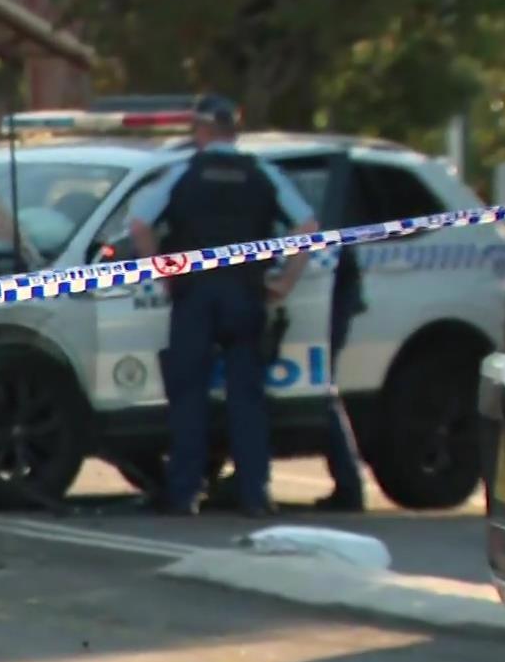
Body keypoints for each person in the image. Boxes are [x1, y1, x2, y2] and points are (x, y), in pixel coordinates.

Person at [126, 94, 319, 517]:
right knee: (247, 397)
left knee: (188, 395)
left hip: (193, 293)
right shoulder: (263, 174)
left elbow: (139, 224)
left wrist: (162, 271)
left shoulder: (182, 173)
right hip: (245, 292)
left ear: (202, 131)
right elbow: (307, 226)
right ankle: (255, 494)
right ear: (235, 130)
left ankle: (183, 493)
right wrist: (286, 280)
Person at [313, 243, 367, 511]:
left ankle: (349, 485)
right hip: (332, 283)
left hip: (327, 286)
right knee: (322, 388)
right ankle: (349, 484)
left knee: (322, 389)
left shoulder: (310, 205)